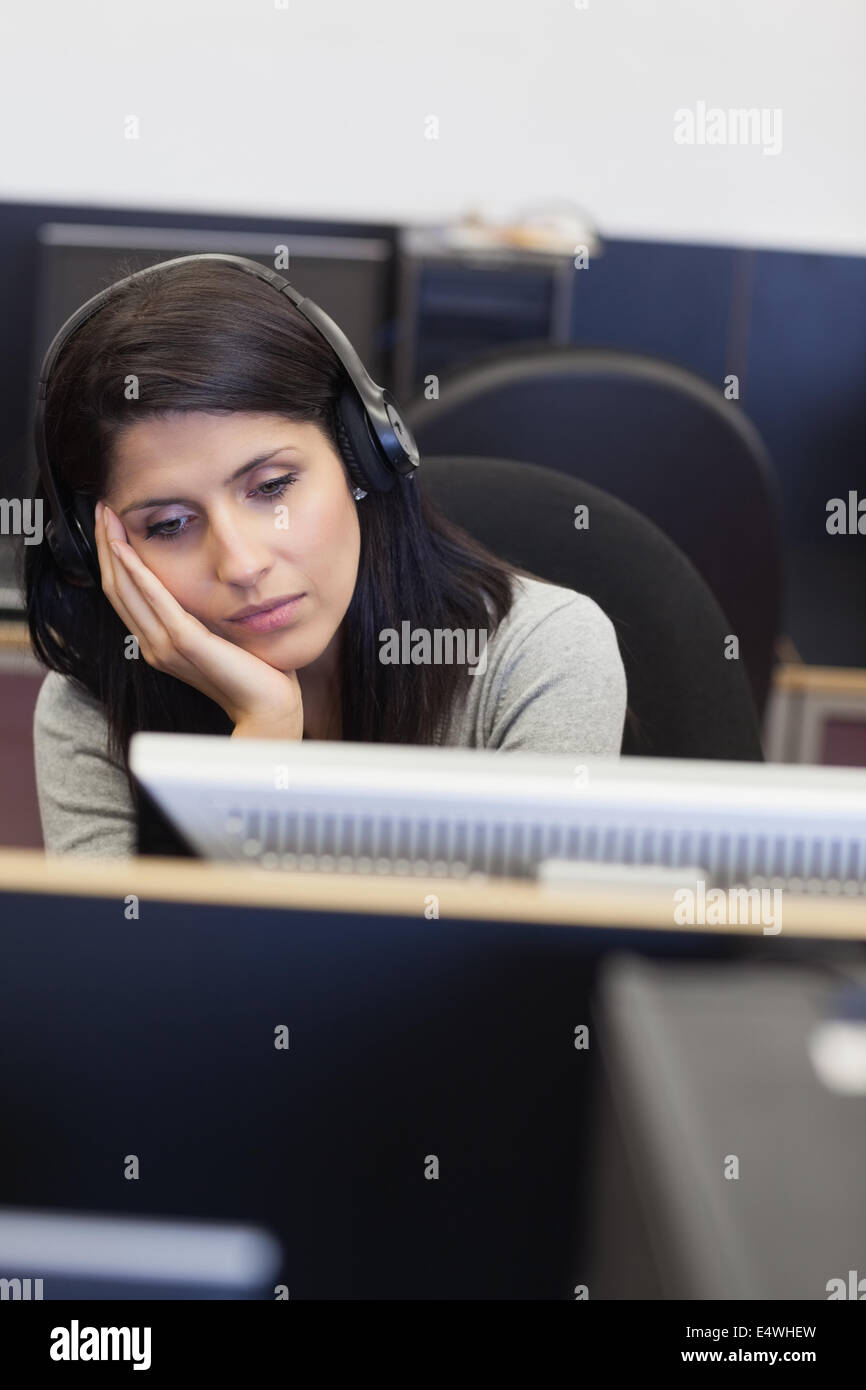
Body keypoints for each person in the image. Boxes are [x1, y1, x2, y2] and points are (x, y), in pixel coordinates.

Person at [22, 259, 628, 857]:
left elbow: (519, 954)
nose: (240, 564)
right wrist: (263, 736)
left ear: (363, 456)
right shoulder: (92, 704)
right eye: (171, 524)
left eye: (273, 487)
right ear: (90, 546)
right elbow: (143, 955)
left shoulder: (538, 657)